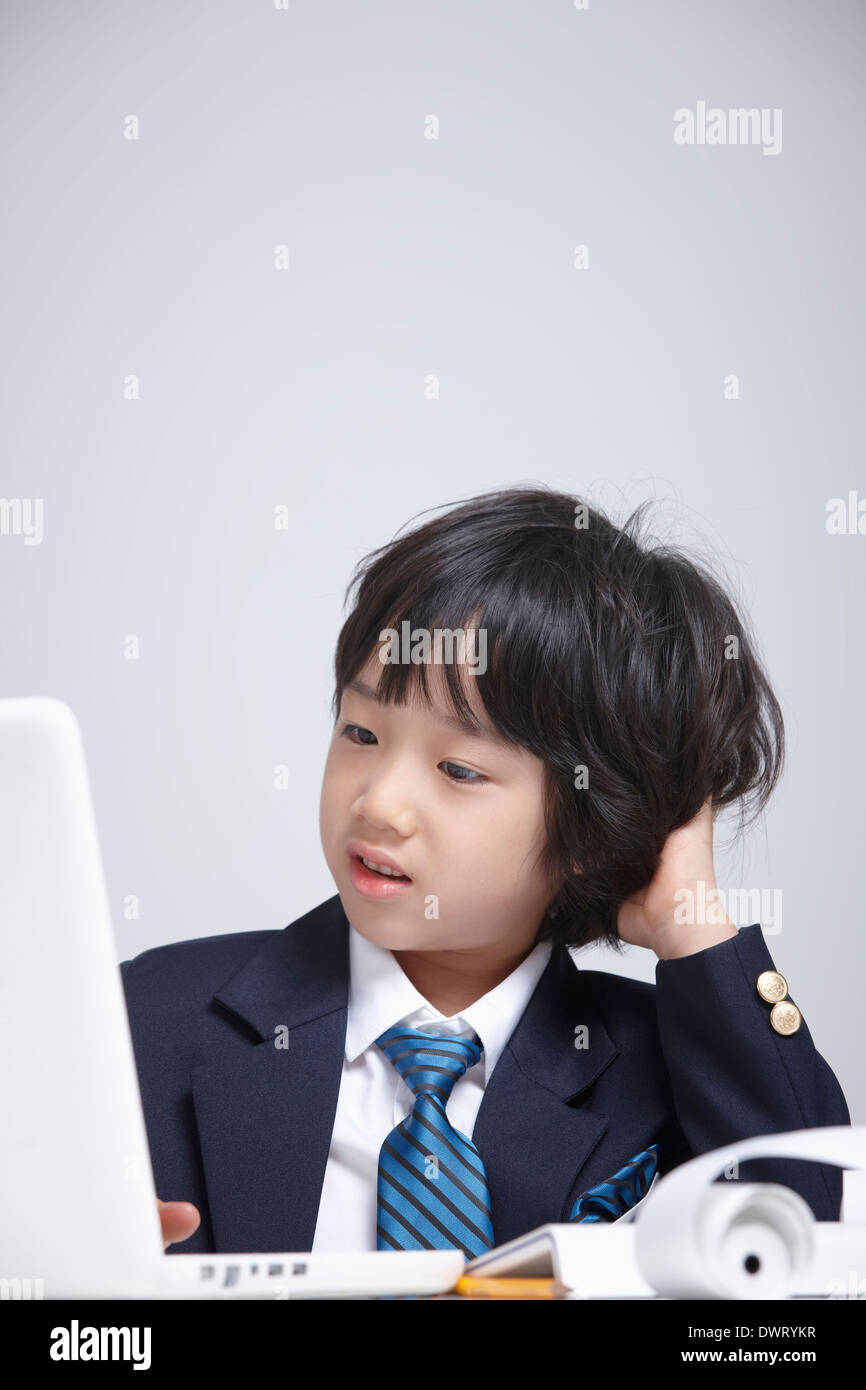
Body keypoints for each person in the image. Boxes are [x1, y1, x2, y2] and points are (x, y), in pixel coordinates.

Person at [121, 486, 850, 1255]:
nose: (380, 804)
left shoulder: (670, 1070)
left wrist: (691, 923)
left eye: (459, 770)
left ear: (593, 825)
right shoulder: (144, 1018)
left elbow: (801, 1291)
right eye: (362, 732)